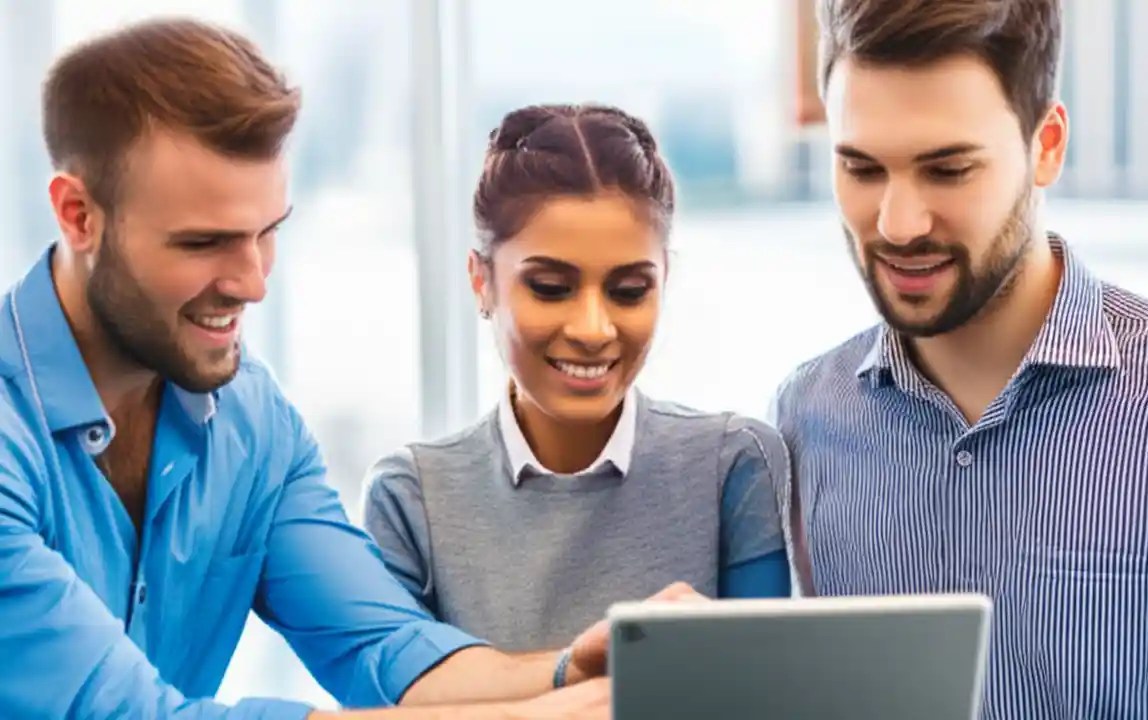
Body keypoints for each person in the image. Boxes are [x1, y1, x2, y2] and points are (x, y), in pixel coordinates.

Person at [0, 18, 695, 719]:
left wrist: (570, 670)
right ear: (78, 215)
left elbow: (385, 650)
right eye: (204, 243)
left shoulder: (251, 420)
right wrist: (529, 716)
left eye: (267, 233)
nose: (253, 283)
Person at [773, 0, 1148, 717]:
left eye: (948, 170)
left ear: (1046, 145)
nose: (897, 223)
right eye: (861, 168)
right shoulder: (802, 418)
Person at [362, 103, 794, 653]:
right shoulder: (411, 498)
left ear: (664, 280)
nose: (593, 330)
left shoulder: (733, 464)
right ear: (481, 282)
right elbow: (404, 695)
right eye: (550, 288)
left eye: (629, 291)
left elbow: (763, 686)